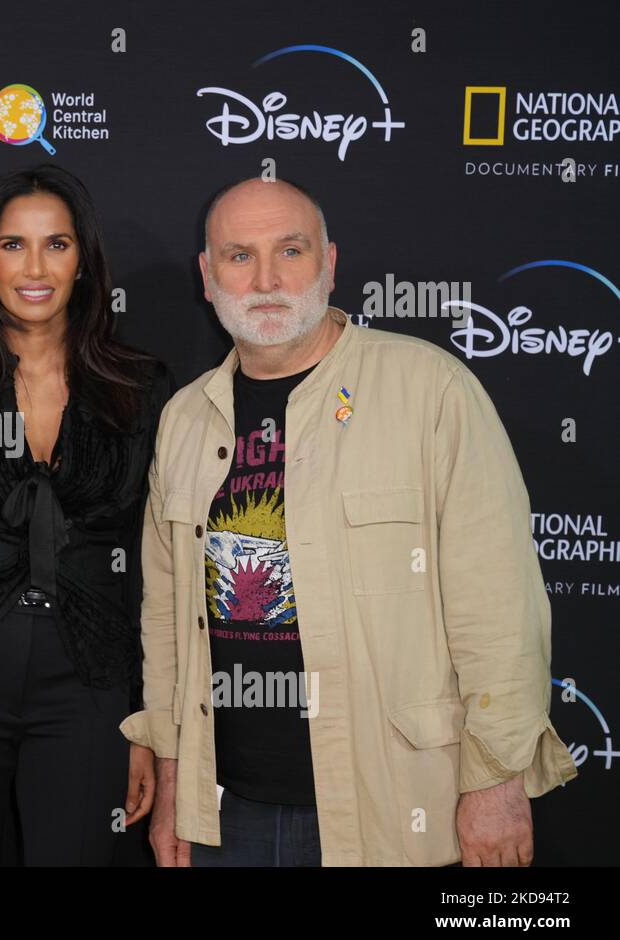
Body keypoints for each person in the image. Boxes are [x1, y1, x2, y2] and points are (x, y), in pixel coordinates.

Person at [125, 177, 578, 867]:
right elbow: (165, 616)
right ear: (208, 275)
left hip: (396, 806)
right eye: (239, 256)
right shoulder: (185, 418)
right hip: (224, 809)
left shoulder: (431, 390)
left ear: (330, 263)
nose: (267, 278)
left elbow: (500, 605)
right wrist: (173, 771)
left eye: (291, 250)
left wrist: (496, 781)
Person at [0, 164, 174, 865]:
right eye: (12, 245)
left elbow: (155, 570)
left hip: (90, 683)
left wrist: (147, 723)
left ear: (84, 260)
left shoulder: (140, 390)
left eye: (56, 244)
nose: (35, 266)